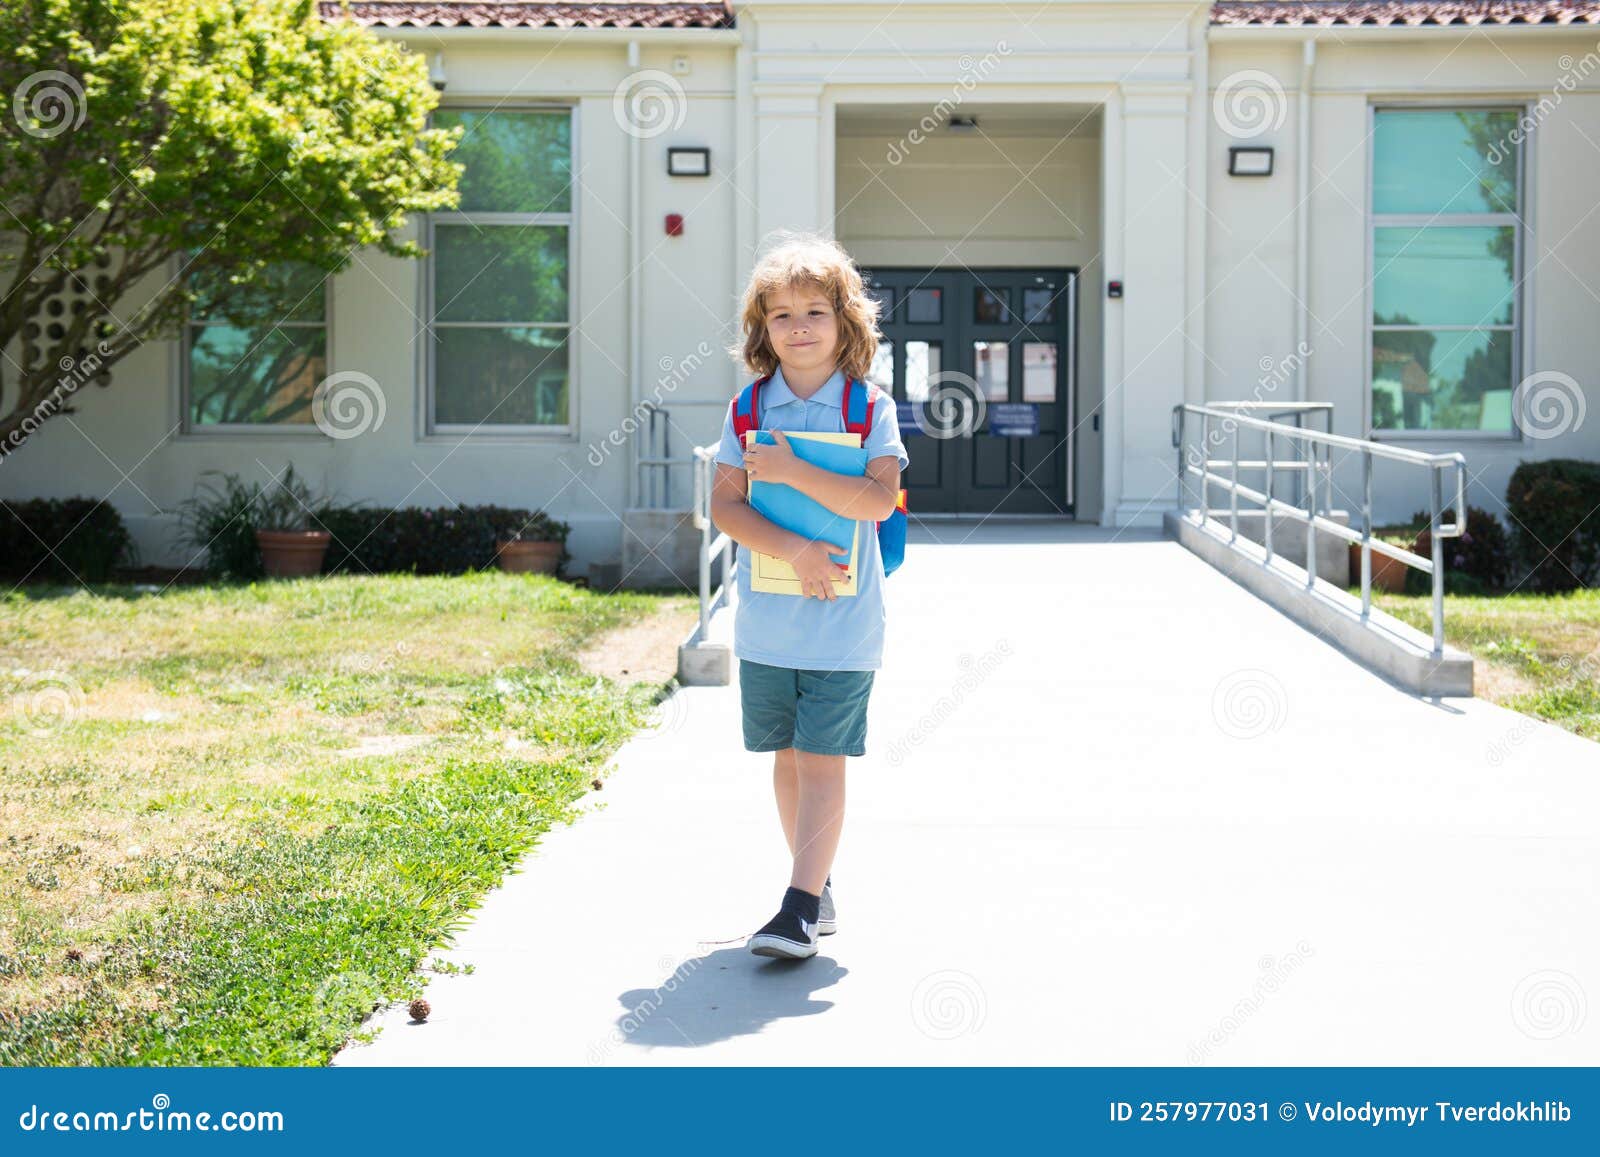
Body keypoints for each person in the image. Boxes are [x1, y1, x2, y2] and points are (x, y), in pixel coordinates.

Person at [710, 233, 909, 960]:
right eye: (781, 314)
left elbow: (879, 500)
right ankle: (815, 885)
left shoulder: (866, 408)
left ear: (845, 322)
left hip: (843, 626)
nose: (798, 327)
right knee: (787, 757)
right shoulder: (746, 408)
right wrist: (792, 548)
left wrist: (791, 468)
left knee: (822, 756)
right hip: (767, 624)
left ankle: (796, 908)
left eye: (815, 312)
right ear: (761, 328)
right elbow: (725, 508)